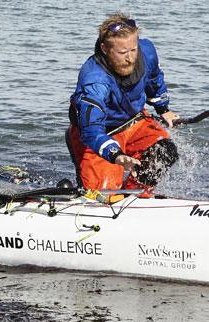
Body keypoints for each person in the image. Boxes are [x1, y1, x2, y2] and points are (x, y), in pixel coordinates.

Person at [66, 13, 181, 193]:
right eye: (122, 52)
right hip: (100, 135)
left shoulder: (147, 51)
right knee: (103, 195)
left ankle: (133, 195)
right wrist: (116, 155)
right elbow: (91, 130)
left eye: (133, 50)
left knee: (165, 152)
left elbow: (153, 79)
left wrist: (163, 109)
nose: (130, 58)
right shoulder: (94, 80)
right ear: (104, 49)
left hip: (135, 122)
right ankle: (101, 193)